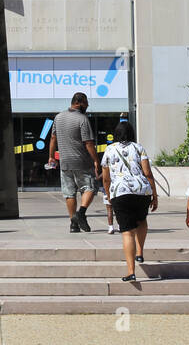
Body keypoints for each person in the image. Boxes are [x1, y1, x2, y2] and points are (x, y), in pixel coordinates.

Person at [100, 119, 157, 282]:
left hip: (120, 192)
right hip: (141, 191)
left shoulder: (109, 150)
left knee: (127, 232)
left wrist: (108, 195)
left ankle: (131, 271)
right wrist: (154, 194)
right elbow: (148, 173)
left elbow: (106, 178)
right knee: (142, 220)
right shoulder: (139, 148)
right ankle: (140, 252)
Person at [48, 92, 100, 232]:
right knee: (90, 187)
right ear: (79, 102)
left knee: (69, 193)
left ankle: (73, 224)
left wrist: (51, 156)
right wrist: (96, 160)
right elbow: (88, 143)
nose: (87, 105)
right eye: (86, 102)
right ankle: (81, 213)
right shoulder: (82, 119)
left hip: (65, 162)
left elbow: (53, 139)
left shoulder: (58, 117)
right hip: (82, 161)